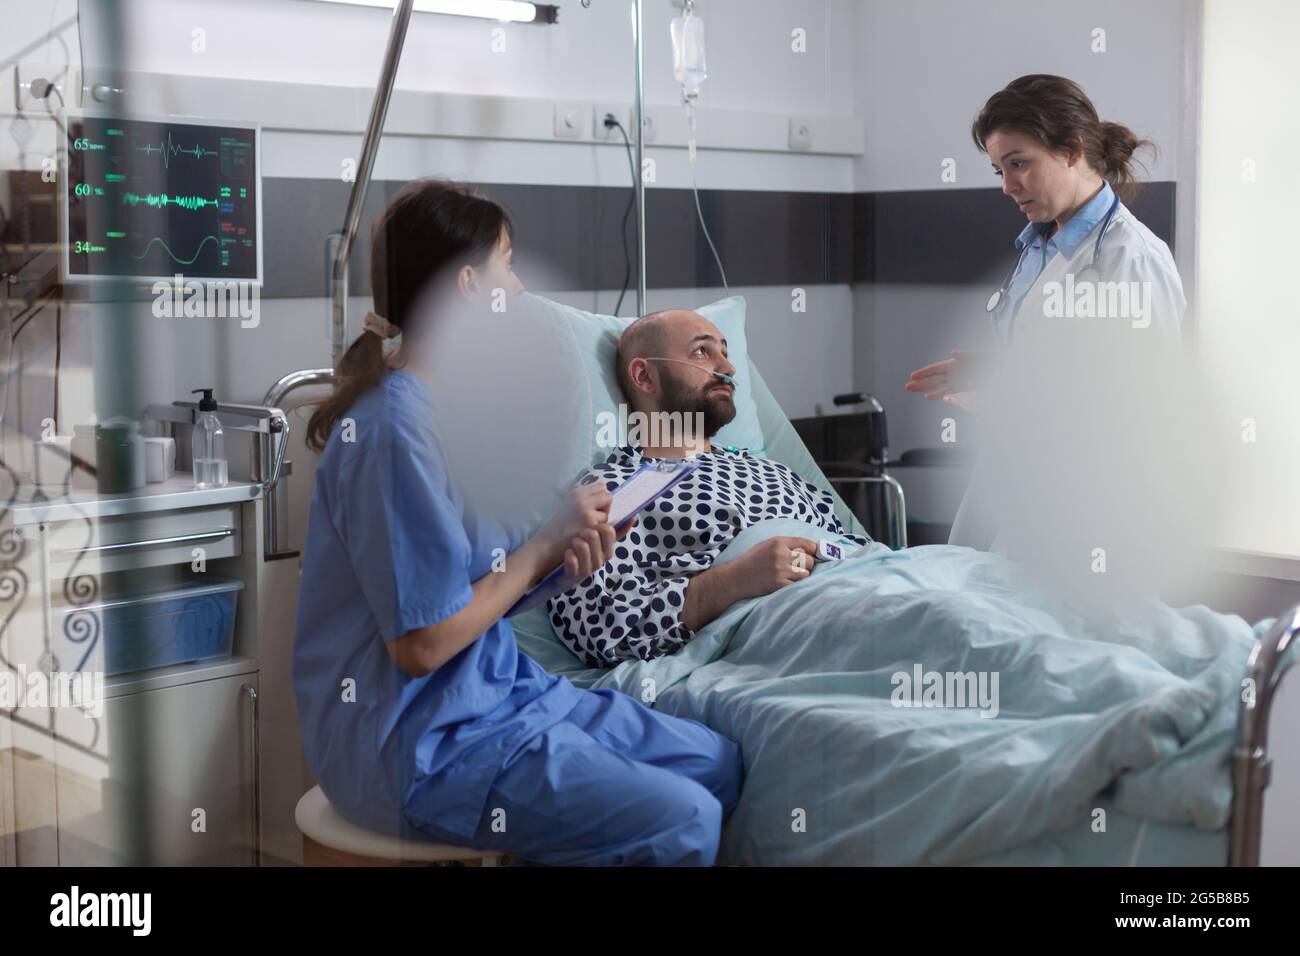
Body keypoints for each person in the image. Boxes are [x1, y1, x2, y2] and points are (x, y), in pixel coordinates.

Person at [293, 180, 741, 866]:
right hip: (416, 742)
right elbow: (421, 645)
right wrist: (540, 548)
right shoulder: (392, 433)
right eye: (508, 265)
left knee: (717, 764)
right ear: (472, 286)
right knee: (682, 819)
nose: (522, 288)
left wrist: (564, 555)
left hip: (500, 696)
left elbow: (484, 580)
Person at [904, 74, 1186, 549]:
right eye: (999, 170)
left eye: (1019, 164)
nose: (1007, 186)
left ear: (1073, 150)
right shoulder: (1043, 247)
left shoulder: (1129, 257)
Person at [548, 309, 870, 666]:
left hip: (866, 589)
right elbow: (598, 628)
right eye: (702, 352)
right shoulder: (626, 487)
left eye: (726, 354)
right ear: (644, 376)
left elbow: (856, 552)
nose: (728, 369)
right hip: (795, 634)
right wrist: (730, 583)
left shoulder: (773, 470)